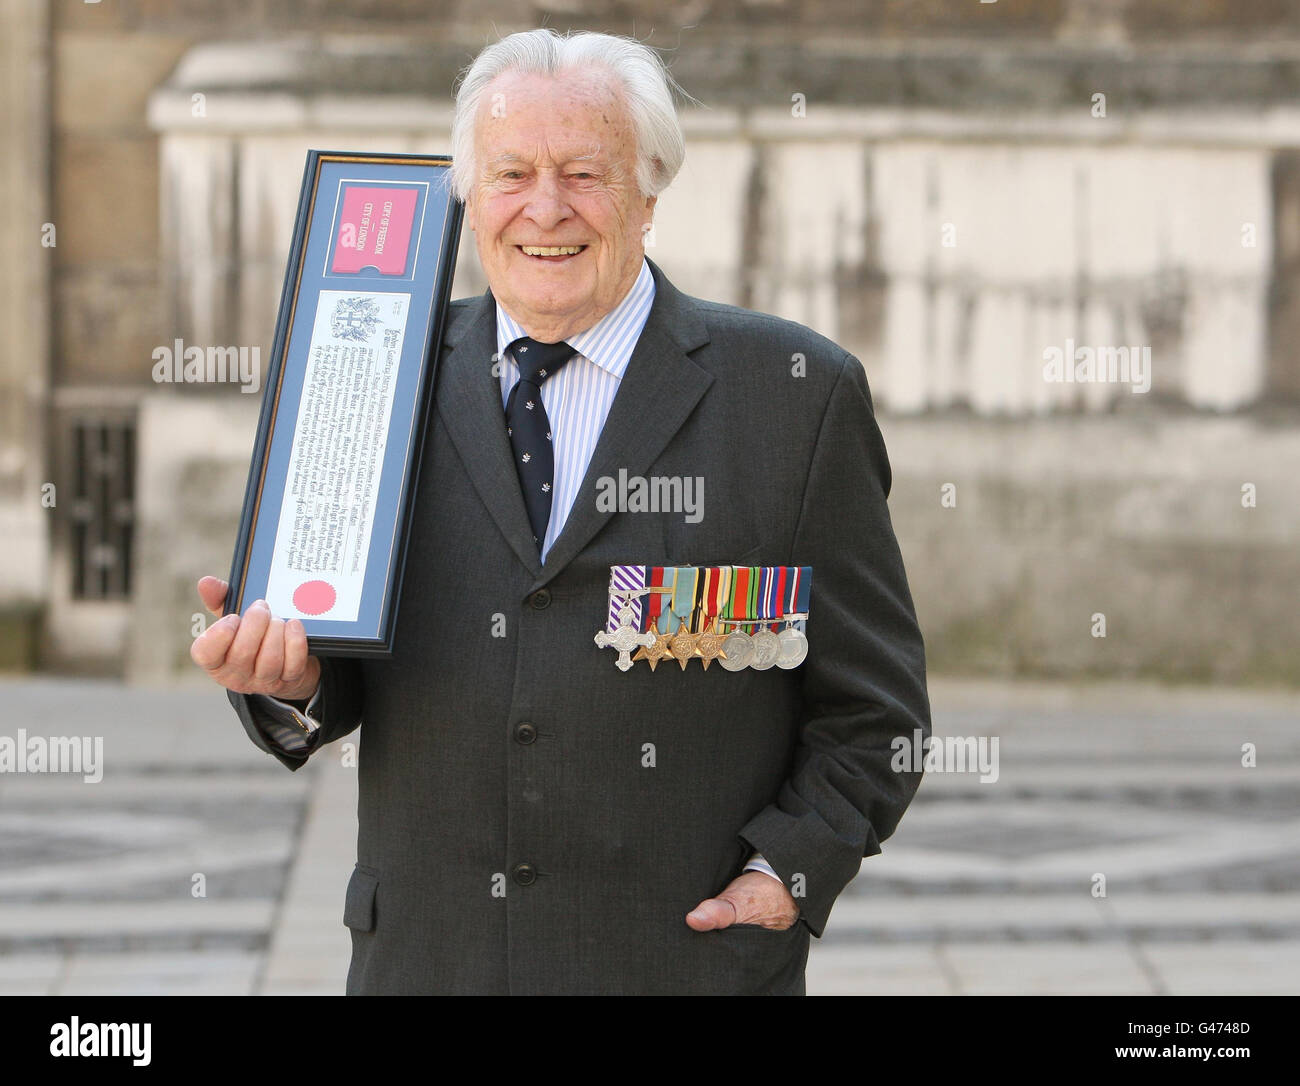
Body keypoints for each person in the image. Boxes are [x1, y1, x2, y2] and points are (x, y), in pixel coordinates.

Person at [191, 28, 931, 995]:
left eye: (586, 172)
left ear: (649, 191)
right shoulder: (374, 377)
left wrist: (785, 874)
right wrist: (285, 678)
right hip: (430, 962)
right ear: (467, 191)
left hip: (683, 965)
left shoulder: (794, 397)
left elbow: (877, 714)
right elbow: (337, 667)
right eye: (511, 173)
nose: (546, 208)